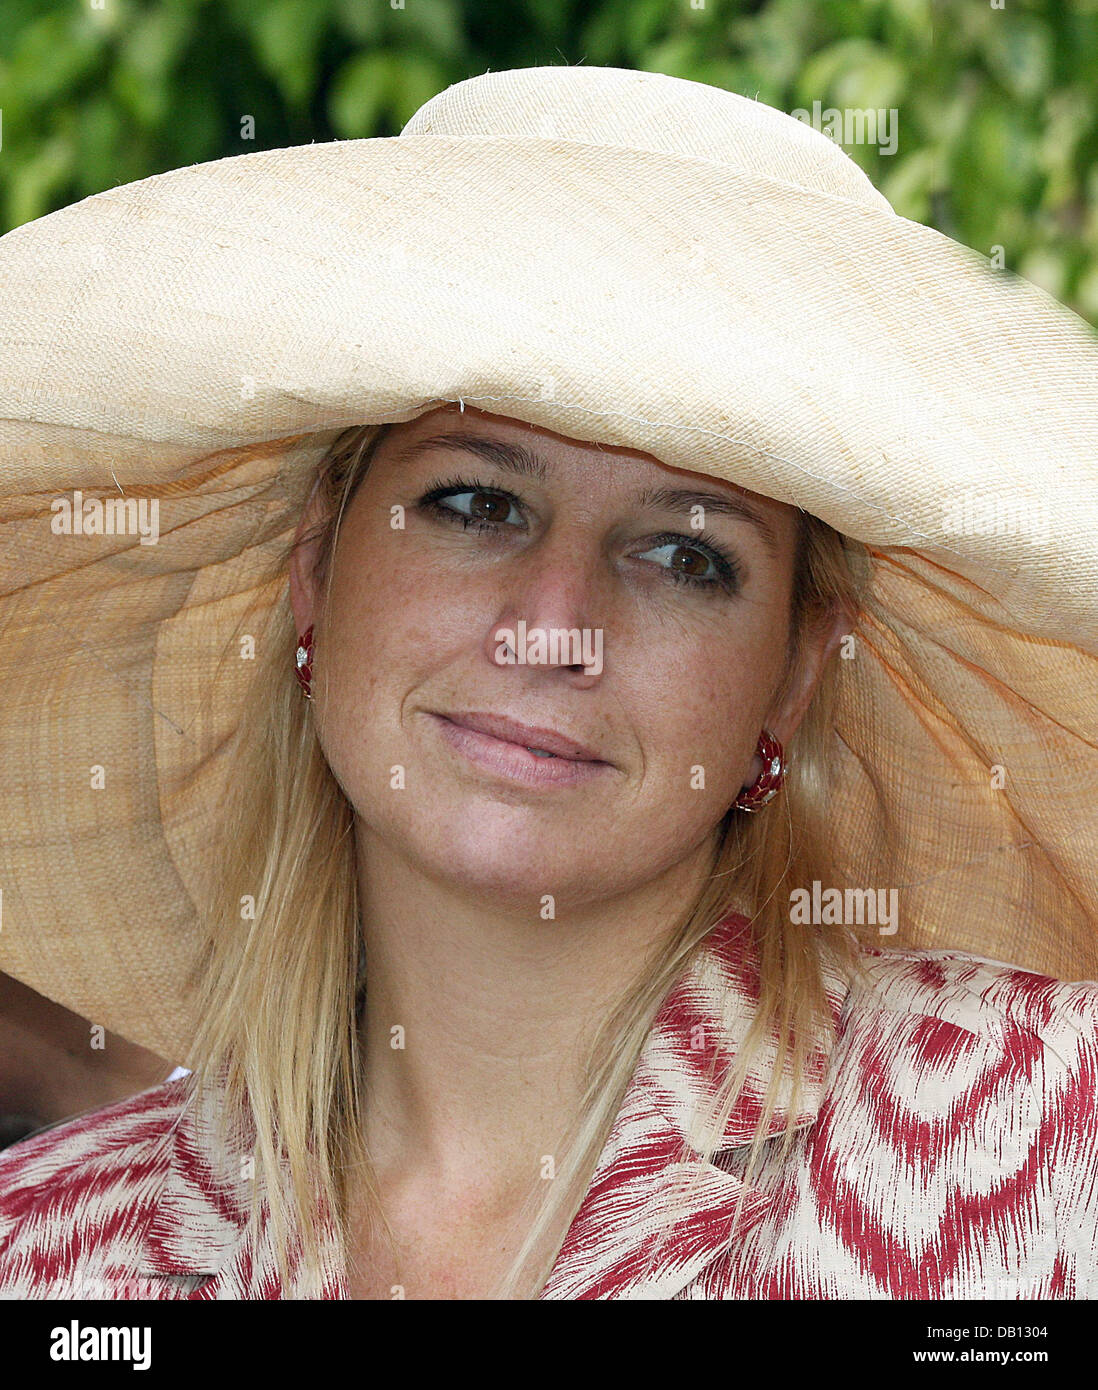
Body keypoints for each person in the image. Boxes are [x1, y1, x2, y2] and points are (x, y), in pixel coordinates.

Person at [0, 64, 1095, 1301]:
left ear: (791, 676)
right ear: (318, 566)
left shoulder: (1049, 1136)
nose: (553, 628)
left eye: (686, 554)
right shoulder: (44, 1257)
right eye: (476, 502)